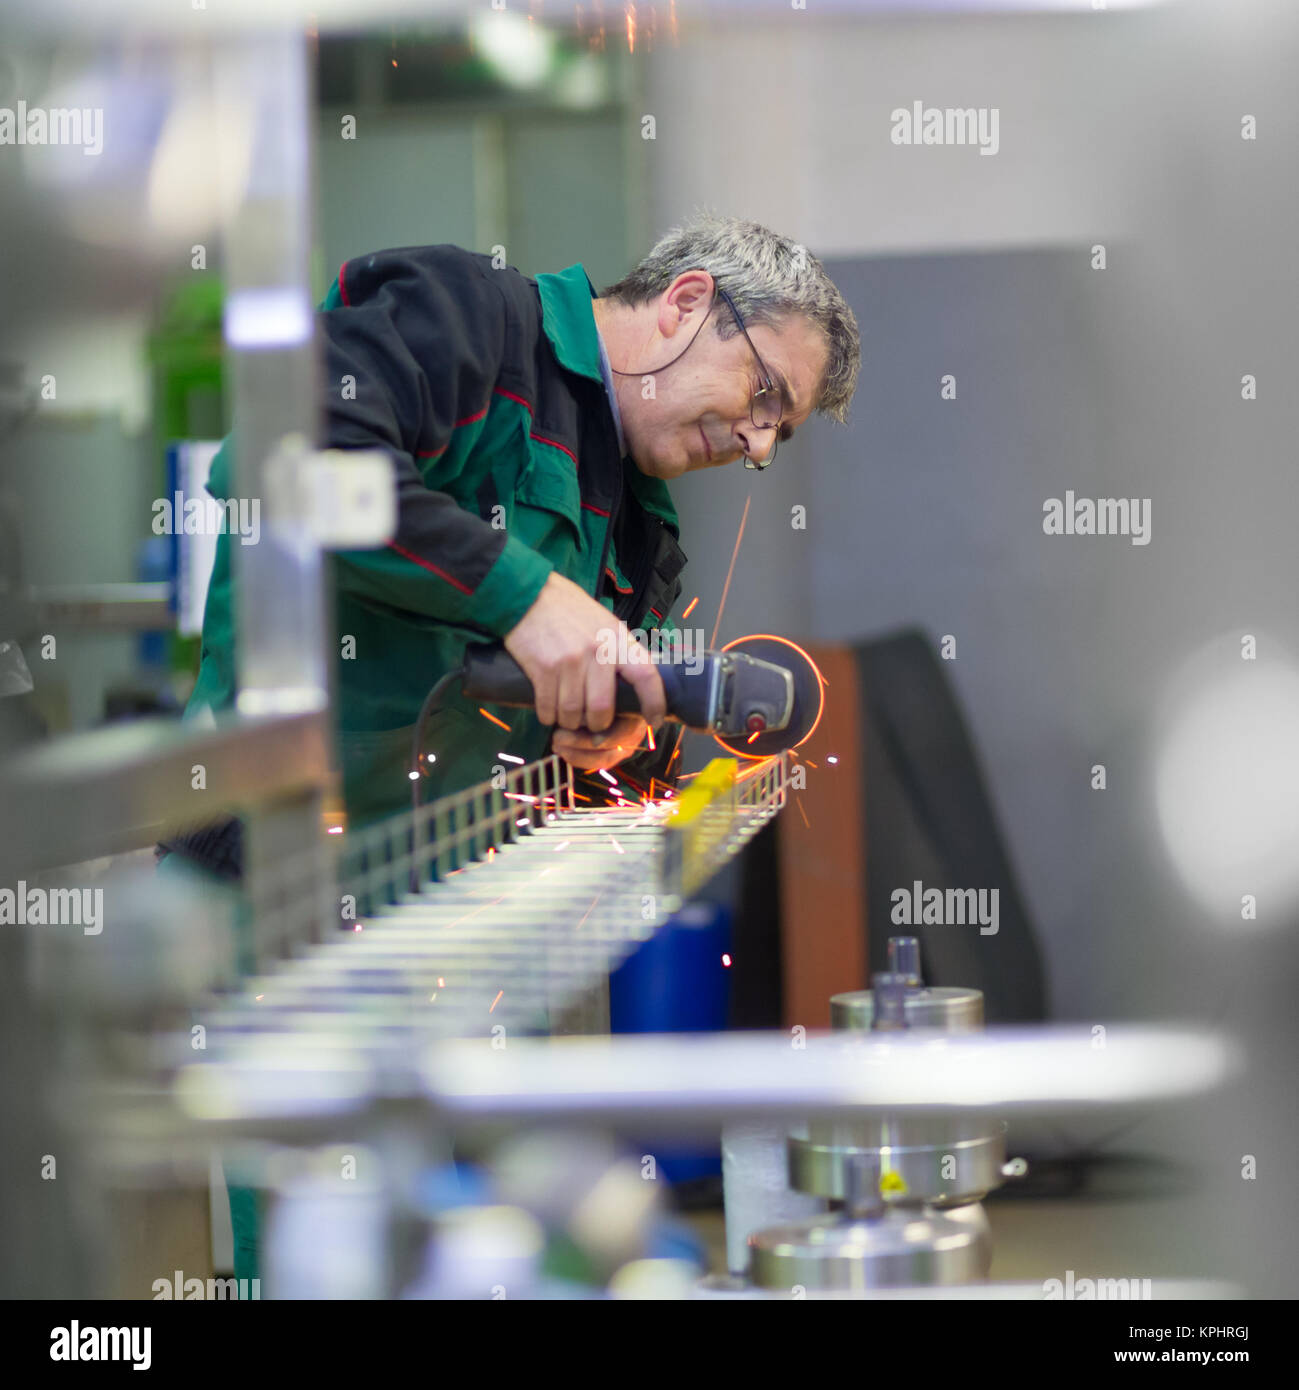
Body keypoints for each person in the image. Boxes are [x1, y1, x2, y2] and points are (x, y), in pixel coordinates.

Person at [159, 212, 861, 1281]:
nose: (759, 444)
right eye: (764, 394)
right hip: (293, 902)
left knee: (499, 1251)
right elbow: (284, 455)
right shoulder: (472, 320)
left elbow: (550, 735)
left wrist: (606, 749)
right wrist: (526, 596)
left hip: (472, 937)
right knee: (329, 1256)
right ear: (686, 304)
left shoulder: (642, 525)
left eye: (783, 432)